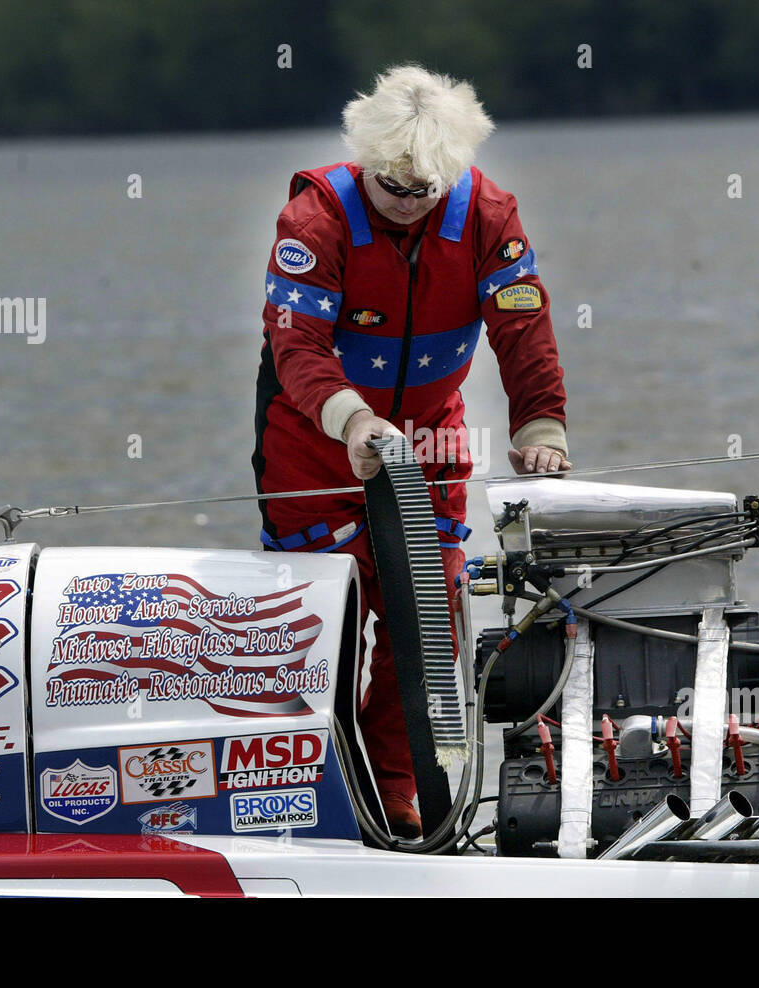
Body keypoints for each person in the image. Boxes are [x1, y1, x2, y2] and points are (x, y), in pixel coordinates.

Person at [251, 64, 570, 838]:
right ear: (365, 163)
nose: (405, 203)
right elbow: (296, 348)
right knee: (312, 619)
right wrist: (353, 422)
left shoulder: (491, 214)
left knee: (427, 621)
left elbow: (522, 328)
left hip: (430, 437)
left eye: (422, 189)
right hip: (313, 438)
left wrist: (540, 427)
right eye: (390, 186)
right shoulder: (315, 218)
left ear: (450, 176)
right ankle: (304, 780)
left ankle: (398, 792)